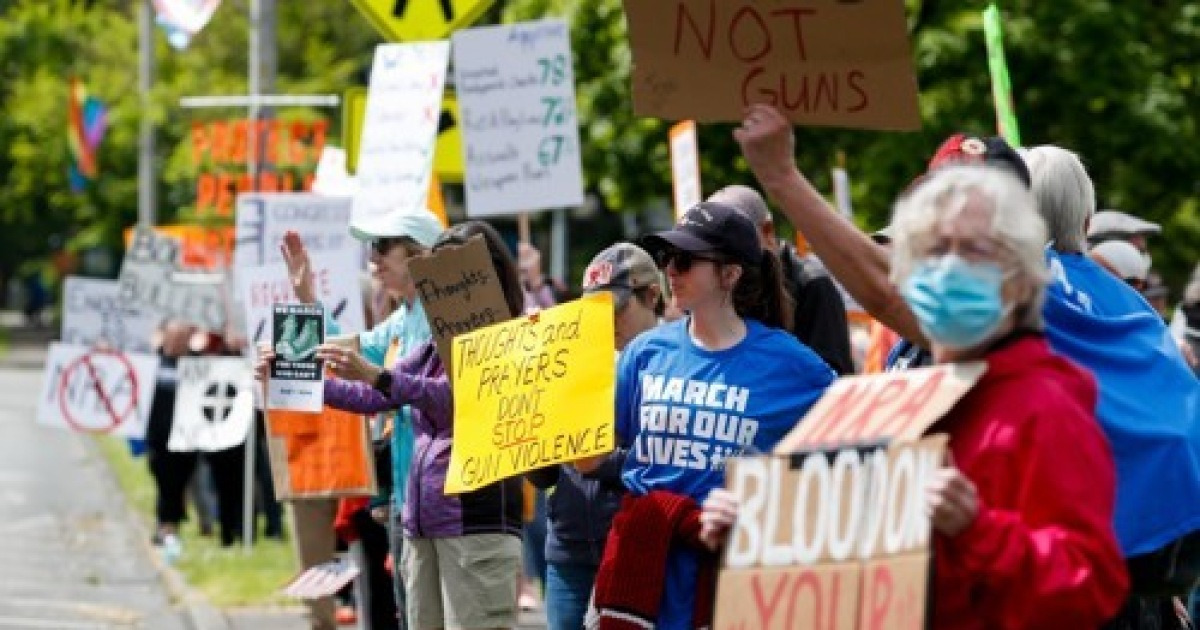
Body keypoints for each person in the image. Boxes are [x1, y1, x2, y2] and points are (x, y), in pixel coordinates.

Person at [734, 103, 1200, 629]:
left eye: (974, 243)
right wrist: (764, 531)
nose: (948, 265)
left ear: (1020, 260)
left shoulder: (1044, 398)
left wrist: (783, 177)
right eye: (934, 240)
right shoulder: (919, 387)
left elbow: (1085, 587)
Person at [576, 202, 834, 629]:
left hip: (731, 574)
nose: (670, 271)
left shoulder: (792, 365)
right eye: (666, 259)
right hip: (639, 569)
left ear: (730, 275)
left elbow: (851, 442)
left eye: (686, 260)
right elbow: (588, 459)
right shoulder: (645, 352)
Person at [267, 221, 526, 630]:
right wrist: (296, 377)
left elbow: (449, 397)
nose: (373, 258)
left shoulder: (507, 332)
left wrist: (377, 377)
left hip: (471, 516)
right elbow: (368, 380)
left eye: (384, 246)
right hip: (419, 511)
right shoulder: (416, 325)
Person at [281, 208, 445, 630]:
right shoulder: (405, 315)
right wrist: (307, 301)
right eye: (371, 246)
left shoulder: (442, 313)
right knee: (411, 616)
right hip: (409, 495)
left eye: (383, 246)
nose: (372, 257)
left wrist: (317, 381)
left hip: (443, 497)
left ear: (419, 254)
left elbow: (377, 384)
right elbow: (353, 352)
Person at [527, 242, 664, 630]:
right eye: (594, 313)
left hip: (632, 551)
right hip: (569, 551)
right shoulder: (570, 361)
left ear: (651, 295)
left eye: (617, 309)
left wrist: (603, 463)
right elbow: (547, 475)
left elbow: (668, 457)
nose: (606, 322)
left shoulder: (673, 363)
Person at [706, 184, 855, 375]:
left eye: (736, 240)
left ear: (767, 231)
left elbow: (832, 375)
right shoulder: (719, 281)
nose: (725, 254)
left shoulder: (811, 283)